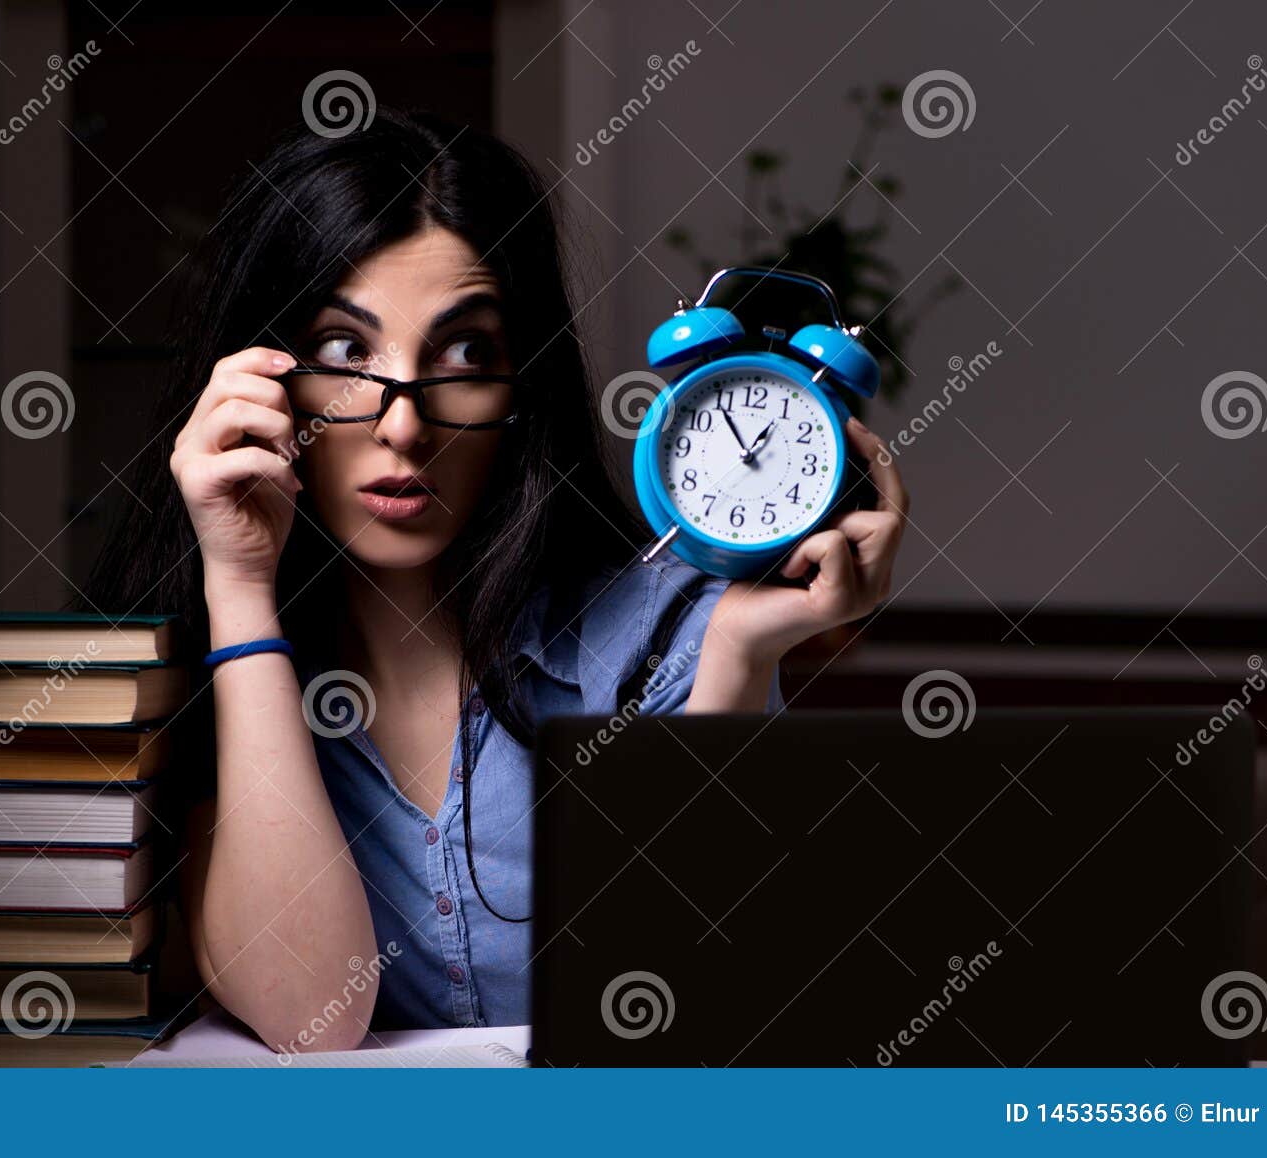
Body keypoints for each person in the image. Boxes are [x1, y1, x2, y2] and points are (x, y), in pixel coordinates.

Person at [82, 108, 909, 1051]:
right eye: (348, 353)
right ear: (266, 382)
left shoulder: (669, 638)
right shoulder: (207, 677)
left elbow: (667, 1004)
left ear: (524, 386)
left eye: (465, 353)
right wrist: (237, 583)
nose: (403, 429)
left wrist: (735, 656)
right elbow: (312, 1018)